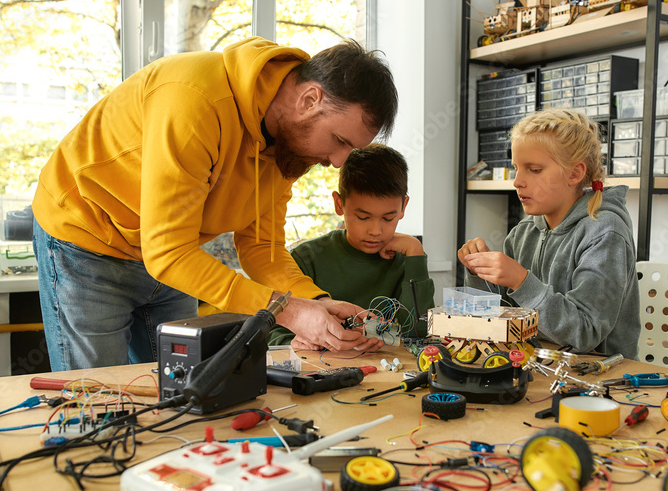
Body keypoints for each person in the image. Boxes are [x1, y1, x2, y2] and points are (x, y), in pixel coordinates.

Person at [32, 37, 398, 371]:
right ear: (309, 100)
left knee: (184, 387)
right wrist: (288, 312)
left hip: (173, 258)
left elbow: (263, 248)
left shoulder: (289, 144)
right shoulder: (194, 100)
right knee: (99, 398)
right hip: (88, 242)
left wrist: (316, 304)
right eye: (339, 140)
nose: (338, 162)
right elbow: (168, 253)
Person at [457, 108, 639, 359]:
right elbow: (500, 318)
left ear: (574, 173)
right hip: (535, 366)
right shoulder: (523, 233)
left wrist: (521, 281)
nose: (517, 182)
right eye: (516, 168)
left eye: (534, 169)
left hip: (597, 374)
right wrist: (479, 274)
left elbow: (585, 333)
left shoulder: (605, 232)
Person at [268, 144, 435, 348]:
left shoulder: (406, 260)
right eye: (363, 217)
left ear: (403, 207)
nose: (375, 231)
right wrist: (297, 343)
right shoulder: (304, 259)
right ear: (339, 204)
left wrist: (416, 251)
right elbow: (270, 332)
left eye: (388, 218)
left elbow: (418, 333)